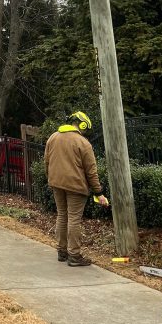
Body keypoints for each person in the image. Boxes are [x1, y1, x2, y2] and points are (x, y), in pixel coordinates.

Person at [44, 111, 109, 266]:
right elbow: (91, 170)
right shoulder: (83, 143)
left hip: (56, 183)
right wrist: (98, 192)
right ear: (82, 124)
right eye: (85, 128)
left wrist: (50, 179)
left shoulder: (53, 137)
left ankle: (62, 251)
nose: (84, 131)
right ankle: (74, 255)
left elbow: (46, 162)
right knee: (74, 219)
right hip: (76, 186)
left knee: (61, 215)